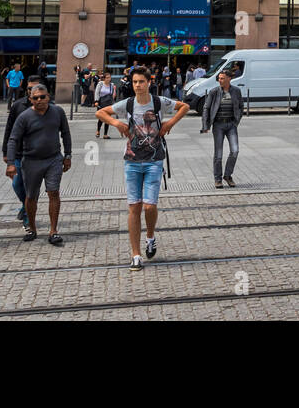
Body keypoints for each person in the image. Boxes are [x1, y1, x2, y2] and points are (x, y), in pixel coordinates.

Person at [96, 68, 188, 271]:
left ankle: (150, 236)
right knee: (134, 207)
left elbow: (184, 106)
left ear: (149, 82)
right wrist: (116, 123)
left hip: (155, 160)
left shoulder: (158, 102)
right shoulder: (127, 104)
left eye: (141, 81)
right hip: (131, 161)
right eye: (135, 81)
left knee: (149, 207)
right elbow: (100, 112)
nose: (137, 85)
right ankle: (136, 254)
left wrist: (169, 123)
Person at [6, 83, 71, 244]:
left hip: (53, 159)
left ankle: (53, 231)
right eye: (36, 98)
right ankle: (32, 228)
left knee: (53, 192)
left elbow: (66, 133)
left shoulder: (58, 112)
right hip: (31, 161)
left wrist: (68, 155)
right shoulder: (24, 117)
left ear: (49, 97)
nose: (40, 100)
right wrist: (10, 162)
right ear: (30, 99)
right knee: (31, 196)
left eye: (43, 97)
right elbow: (13, 139)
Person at [200, 70, 244, 189]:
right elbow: (206, 108)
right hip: (218, 125)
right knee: (218, 154)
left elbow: (241, 107)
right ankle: (218, 179)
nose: (220, 80)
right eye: (219, 78)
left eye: (222, 78)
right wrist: (205, 125)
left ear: (229, 78)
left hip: (231, 125)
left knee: (235, 151)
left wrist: (236, 121)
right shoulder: (214, 92)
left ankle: (228, 176)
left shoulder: (236, 91)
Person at [1, 85, 35, 225]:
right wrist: (5, 151)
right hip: (18, 152)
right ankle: (25, 205)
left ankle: (28, 212)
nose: (32, 91)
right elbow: (9, 128)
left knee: (30, 186)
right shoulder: (18, 105)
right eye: (30, 88)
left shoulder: (48, 107)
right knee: (16, 183)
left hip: (34, 154)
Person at [94, 72, 116, 139]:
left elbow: (112, 95)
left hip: (108, 103)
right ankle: (98, 130)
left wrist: (114, 90)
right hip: (101, 103)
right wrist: (96, 101)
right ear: (104, 78)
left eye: (109, 77)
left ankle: (105, 134)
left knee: (107, 119)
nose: (108, 79)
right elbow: (97, 92)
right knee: (101, 118)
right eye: (107, 78)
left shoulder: (111, 85)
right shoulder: (100, 84)